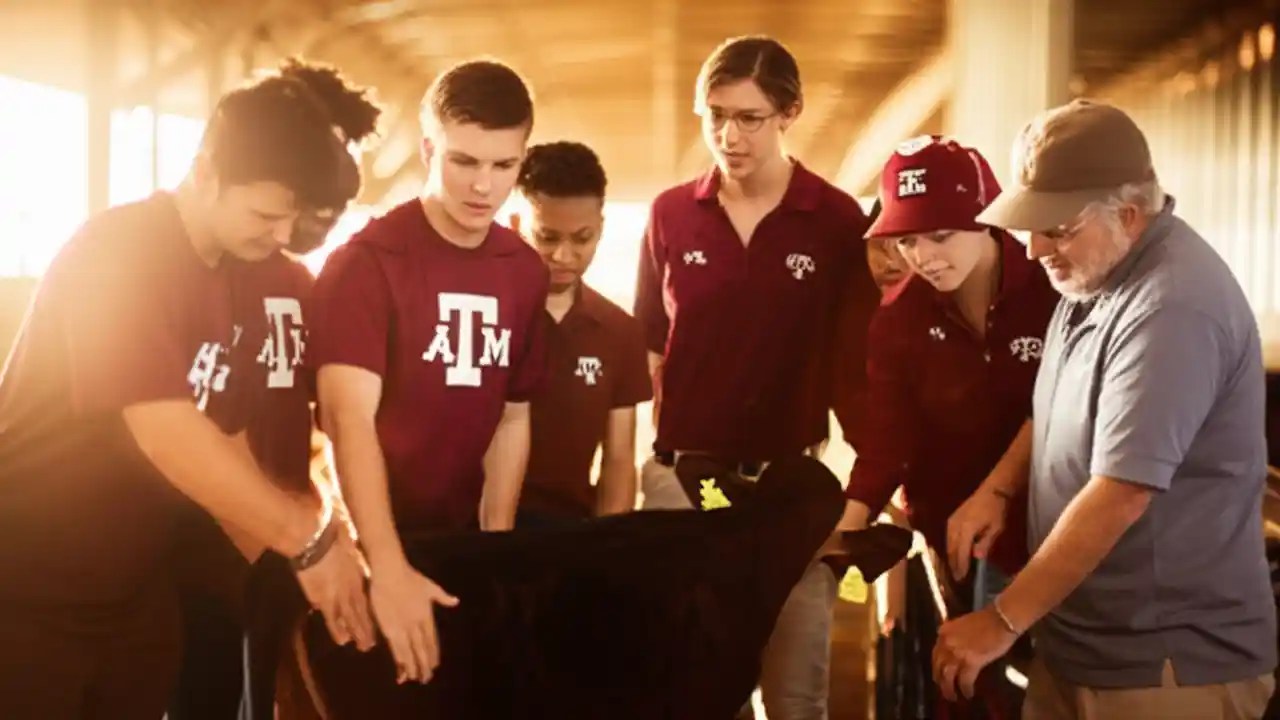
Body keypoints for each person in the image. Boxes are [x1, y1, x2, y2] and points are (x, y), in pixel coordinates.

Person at [0, 64, 375, 719]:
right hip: (28, 584)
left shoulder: (241, 269)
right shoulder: (119, 252)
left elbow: (225, 437)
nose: (282, 237)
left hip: (134, 593)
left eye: (290, 219)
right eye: (265, 213)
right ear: (205, 171)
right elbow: (167, 431)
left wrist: (323, 554)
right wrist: (306, 541)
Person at [932, 99, 1278, 719]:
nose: (1035, 250)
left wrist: (1003, 621)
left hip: (1163, 667)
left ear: (1129, 213)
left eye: (1055, 228)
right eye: (1030, 227)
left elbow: (1123, 490)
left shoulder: (1172, 308)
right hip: (1081, 646)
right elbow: (1059, 406)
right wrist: (1000, 490)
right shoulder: (1093, 275)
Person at [633, 34, 879, 720]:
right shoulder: (670, 213)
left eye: (749, 118)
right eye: (714, 115)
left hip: (785, 491)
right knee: (692, 693)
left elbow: (854, 372)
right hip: (686, 487)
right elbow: (651, 348)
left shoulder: (834, 221)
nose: (728, 135)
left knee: (797, 695)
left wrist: (869, 500)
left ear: (789, 114)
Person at [308, 59, 548, 687]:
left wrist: (493, 548)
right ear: (426, 148)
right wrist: (383, 565)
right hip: (359, 549)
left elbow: (512, 417)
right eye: (464, 162)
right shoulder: (367, 262)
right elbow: (345, 419)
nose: (483, 187)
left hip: (459, 544)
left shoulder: (523, 270)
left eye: (505, 166)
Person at [166, 58, 381, 720]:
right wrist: (294, 537)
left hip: (281, 550)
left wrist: (326, 524)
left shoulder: (297, 283)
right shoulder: (208, 271)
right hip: (216, 548)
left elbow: (328, 417)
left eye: (326, 211)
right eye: (300, 207)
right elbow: (200, 430)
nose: (304, 227)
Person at [835, 135, 1059, 717]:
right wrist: (839, 531)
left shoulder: (1051, 286)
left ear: (986, 215)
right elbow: (886, 443)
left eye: (940, 235)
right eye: (907, 239)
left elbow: (1070, 404)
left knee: (1052, 690)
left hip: (1053, 531)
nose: (923, 256)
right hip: (954, 543)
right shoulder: (900, 317)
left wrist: (1000, 491)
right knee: (969, 692)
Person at [509, 141, 651, 525]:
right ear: (516, 225)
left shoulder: (619, 331)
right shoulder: (486, 317)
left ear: (601, 228)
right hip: (478, 535)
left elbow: (619, 458)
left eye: (582, 239)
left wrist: (608, 549)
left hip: (571, 534)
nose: (564, 256)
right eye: (548, 238)